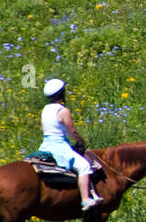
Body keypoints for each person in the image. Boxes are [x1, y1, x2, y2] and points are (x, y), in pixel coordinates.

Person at [37, 79, 101, 210]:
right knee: (84, 166)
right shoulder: (63, 110)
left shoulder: (45, 109)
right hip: (59, 146)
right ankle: (86, 200)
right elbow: (73, 131)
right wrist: (81, 141)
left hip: (45, 145)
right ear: (62, 94)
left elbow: (43, 129)